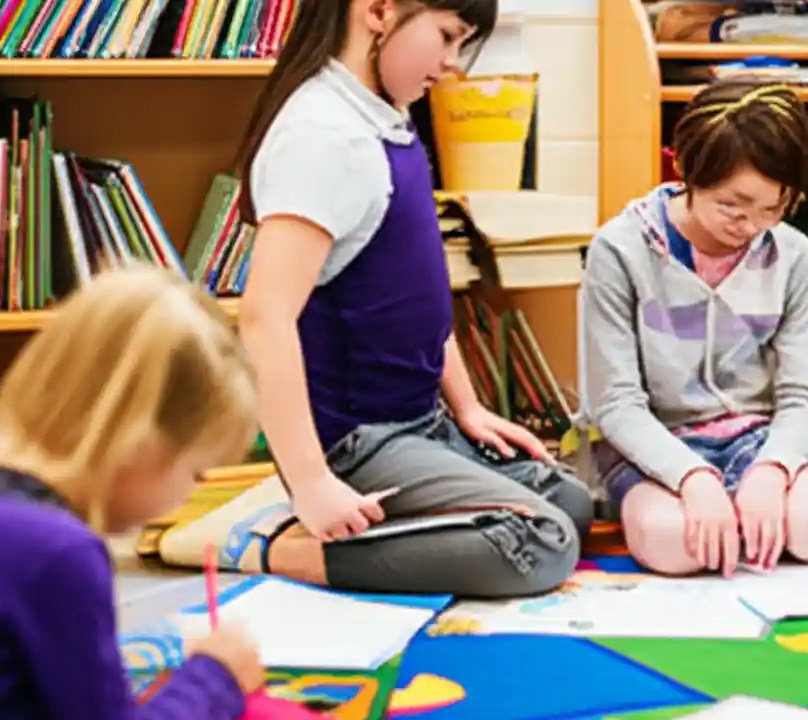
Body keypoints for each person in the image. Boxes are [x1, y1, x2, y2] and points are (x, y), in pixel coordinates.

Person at [234, 0, 592, 597]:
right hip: (357, 444)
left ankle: (390, 528)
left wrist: (470, 410)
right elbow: (264, 318)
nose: (453, 65)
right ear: (377, 11)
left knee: (569, 501)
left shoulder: (385, 118)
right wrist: (312, 480)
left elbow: (411, 298)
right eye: (448, 37)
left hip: (422, 424)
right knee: (540, 541)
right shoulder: (324, 137)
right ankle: (272, 547)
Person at [581, 78, 808, 577]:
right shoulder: (619, 250)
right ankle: (718, 504)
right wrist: (692, 476)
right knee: (674, 543)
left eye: (773, 209)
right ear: (687, 169)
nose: (750, 226)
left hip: (757, 435)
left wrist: (773, 470)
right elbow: (617, 405)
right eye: (732, 206)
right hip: (659, 444)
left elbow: (804, 397)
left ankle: (748, 502)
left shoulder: (793, 255)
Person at [0, 267, 263, 719]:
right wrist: (215, 676)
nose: (189, 493)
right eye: (196, 472)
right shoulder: (58, 554)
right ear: (138, 447)